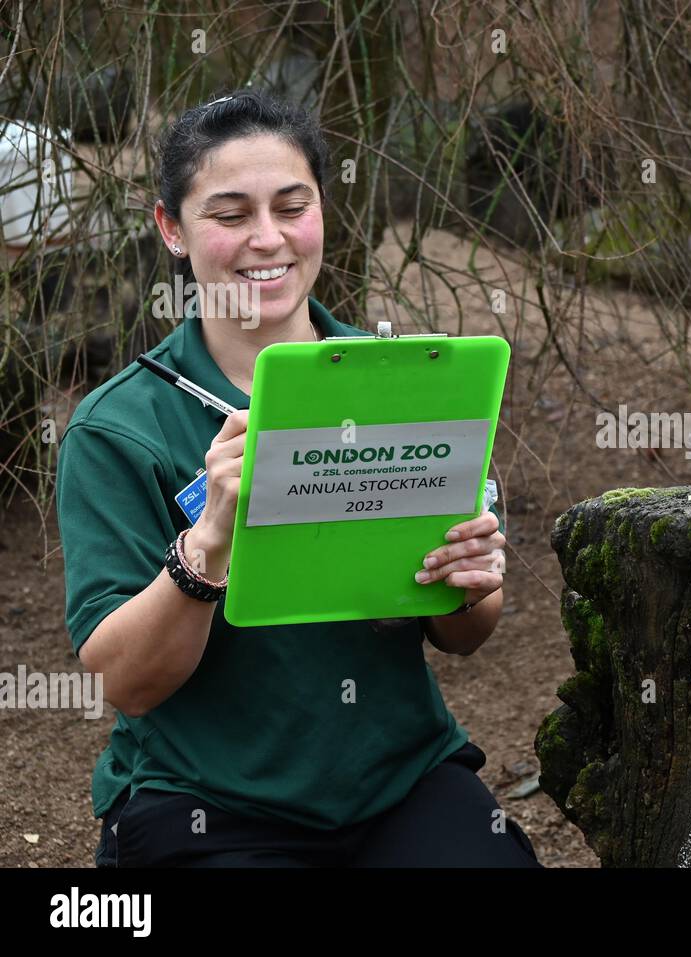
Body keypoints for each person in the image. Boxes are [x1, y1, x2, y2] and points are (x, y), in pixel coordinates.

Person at [56, 89, 540, 867]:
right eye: (230, 213)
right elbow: (125, 682)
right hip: (205, 800)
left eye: (292, 205)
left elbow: (464, 633)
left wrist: (474, 578)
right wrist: (206, 544)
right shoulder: (119, 428)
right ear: (171, 229)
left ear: (323, 210)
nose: (267, 238)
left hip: (398, 782)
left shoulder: (408, 384)